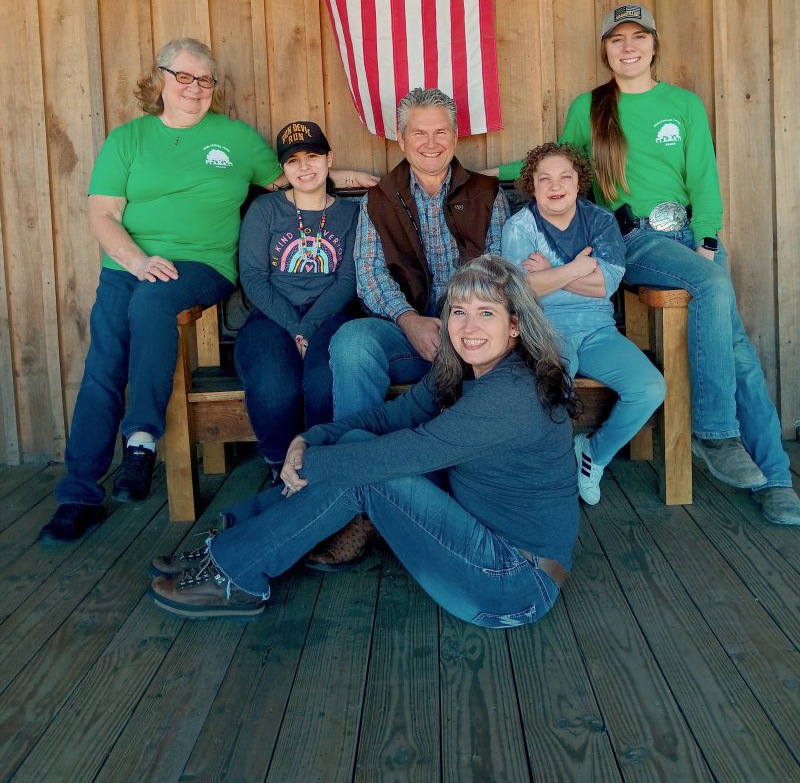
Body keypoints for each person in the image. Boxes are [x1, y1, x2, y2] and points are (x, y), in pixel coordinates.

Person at [39, 39, 376, 544]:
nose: (194, 88)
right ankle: (78, 495)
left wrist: (353, 177)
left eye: (204, 80)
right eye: (184, 77)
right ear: (161, 79)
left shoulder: (235, 139)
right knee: (103, 366)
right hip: (128, 263)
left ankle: (141, 439)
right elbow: (102, 213)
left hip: (202, 265)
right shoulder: (127, 139)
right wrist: (135, 260)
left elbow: (295, 178)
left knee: (154, 300)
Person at [148, 255, 579, 624]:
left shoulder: (513, 393)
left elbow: (409, 453)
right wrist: (310, 437)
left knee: (371, 471)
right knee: (358, 441)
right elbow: (391, 417)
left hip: (513, 582)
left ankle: (235, 570)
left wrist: (308, 461)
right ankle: (233, 540)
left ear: (516, 325)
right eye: (458, 311)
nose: (468, 327)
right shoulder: (464, 369)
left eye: (487, 313)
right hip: (476, 532)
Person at [553, 3, 798, 525]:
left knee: (739, 350)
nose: (628, 47)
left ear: (654, 45)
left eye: (637, 37)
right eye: (617, 40)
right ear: (606, 51)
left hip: (691, 238)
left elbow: (703, 178)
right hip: (635, 240)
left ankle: (775, 477)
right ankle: (714, 434)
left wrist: (707, 239)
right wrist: (485, 171)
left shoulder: (683, 104)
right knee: (711, 289)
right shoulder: (591, 107)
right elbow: (560, 166)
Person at [307, 88, 509, 568]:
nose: (431, 141)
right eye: (419, 132)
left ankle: (429, 496)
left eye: (441, 131)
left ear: (456, 134)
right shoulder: (380, 199)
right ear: (401, 138)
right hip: (405, 327)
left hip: (470, 330)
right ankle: (356, 497)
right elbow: (371, 276)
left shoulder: (486, 193)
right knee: (353, 342)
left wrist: (460, 324)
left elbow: (499, 272)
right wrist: (409, 320)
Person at [501, 142, 665, 504]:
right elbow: (523, 290)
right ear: (532, 185)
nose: (555, 185)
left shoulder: (600, 221)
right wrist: (578, 268)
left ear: (578, 182)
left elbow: (605, 284)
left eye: (564, 177)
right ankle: (549, 473)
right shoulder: (519, 227)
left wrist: (552, 273)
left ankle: (594, 454)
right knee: (555, 384)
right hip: (545, 330)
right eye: (544, 179)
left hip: (597, 331)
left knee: (650, 387)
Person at [234, 121, 359, 481]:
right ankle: (278, 465)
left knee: (324, 380)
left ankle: (320, 465)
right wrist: (293, 326)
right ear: (283, 169)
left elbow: (348, 278)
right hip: (272, 315)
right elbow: (255, 277)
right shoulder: (265, 210)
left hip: (332, 314)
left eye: (313, 156)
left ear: (329, 159)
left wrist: (308, 327)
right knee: (275, 384)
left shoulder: (351, 214)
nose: (304, 167)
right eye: (293, 161)